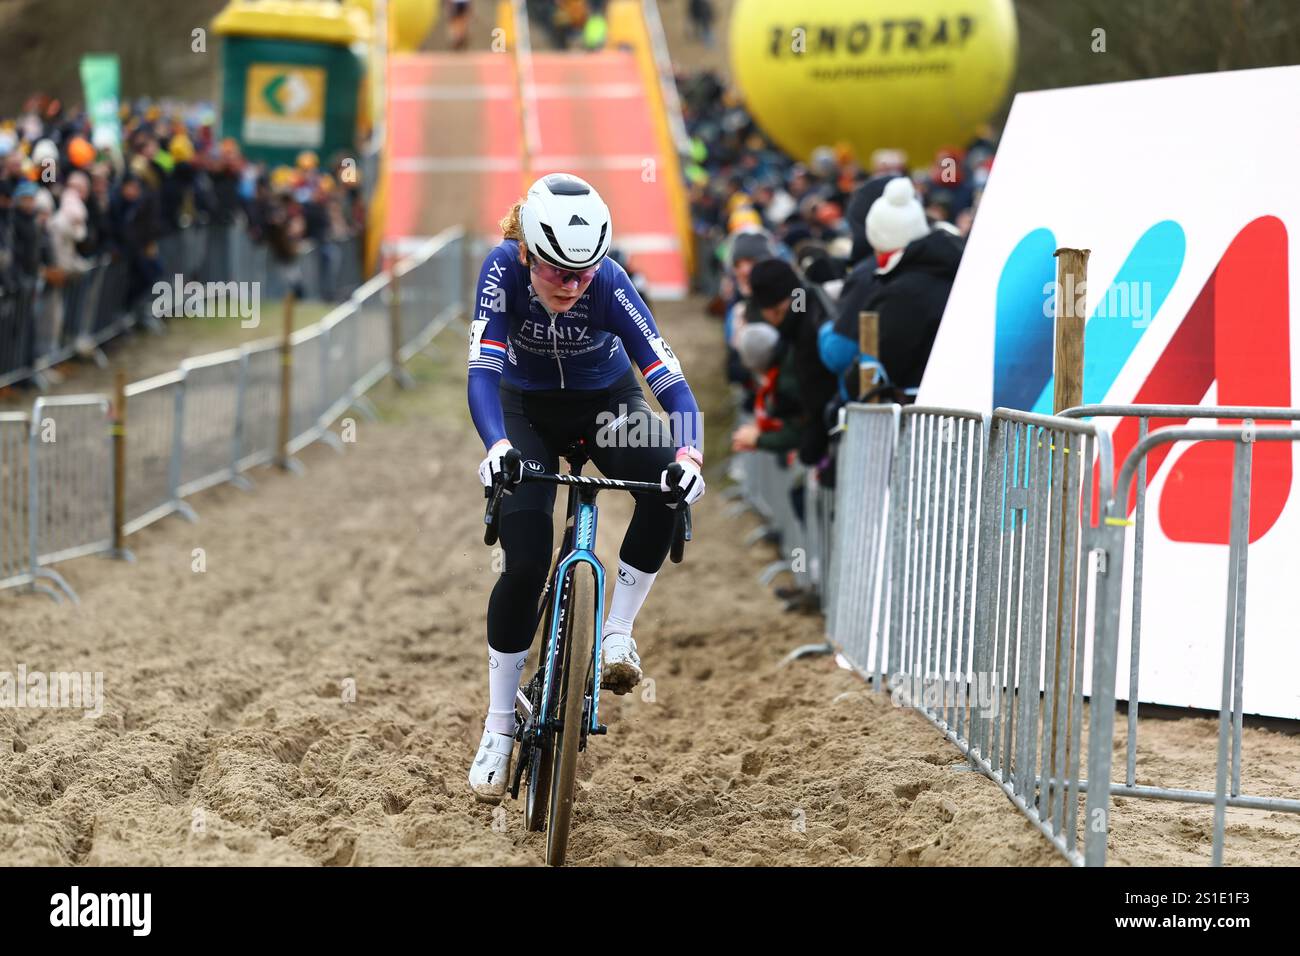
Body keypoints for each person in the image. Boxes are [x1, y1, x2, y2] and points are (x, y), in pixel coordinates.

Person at [465, 173, 706, 803]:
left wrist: (689, 453)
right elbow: (482, 376)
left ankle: (615, 632)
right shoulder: (502, 269)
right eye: (558, 273)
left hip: (605, 408)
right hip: (526, 414)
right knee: (523, 563)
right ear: (527, 252)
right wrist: (497, 448)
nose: (574, 286)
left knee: (665, 484)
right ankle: (497, 728)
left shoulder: (609, 283)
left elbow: (671, 384)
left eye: (585, 273)